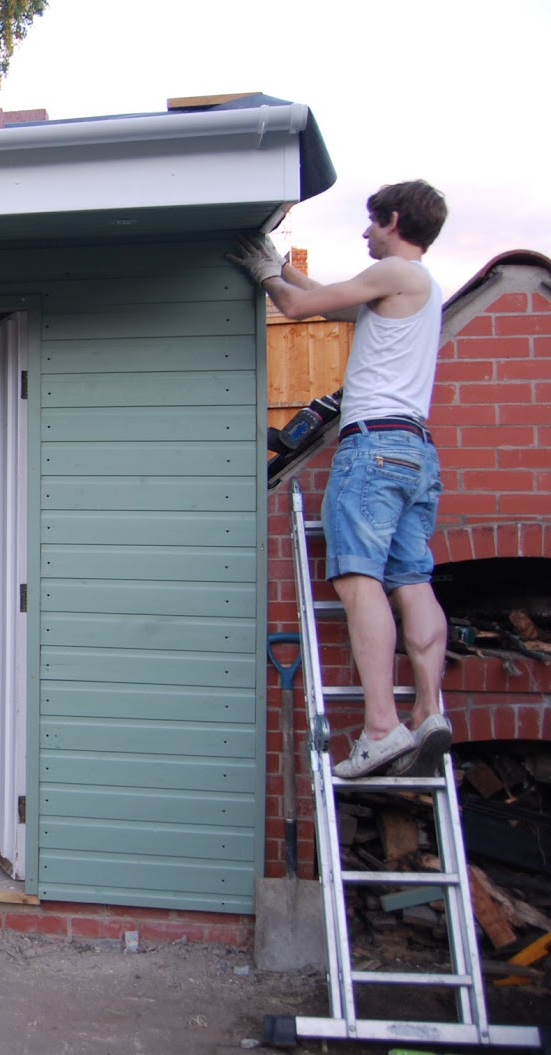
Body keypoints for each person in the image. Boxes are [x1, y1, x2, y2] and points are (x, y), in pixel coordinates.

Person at [228, 180, 451, 779]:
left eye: (372, 222)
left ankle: (380, 729)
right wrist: (282, 267)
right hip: (415, 452)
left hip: (374, 449)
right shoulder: (420, 289)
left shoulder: (397, 273)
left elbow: (300, 309)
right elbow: (330, 301)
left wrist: (264, 276)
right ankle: (428, 712)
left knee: (359, 581)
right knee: (413, 580)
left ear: (394, 219)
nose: (365, 232)